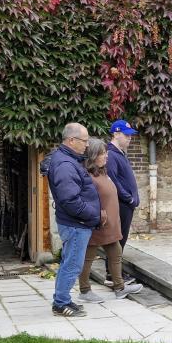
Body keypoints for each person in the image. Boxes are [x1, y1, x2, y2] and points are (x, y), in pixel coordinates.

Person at [46, 123, 102, 317]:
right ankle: (61, 304)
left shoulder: (68, 160)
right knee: (72, 265)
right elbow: (70, 200)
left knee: (69, 262)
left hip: (77, 223)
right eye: (84, 141)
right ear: (71, 140)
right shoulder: (65, 165)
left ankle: (63, 299)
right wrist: (92, 214)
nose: (87, 145)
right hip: (76, 224)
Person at [77, 139, 143, 303]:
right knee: (88, 258)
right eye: (102, 153)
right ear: (93, 156)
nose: (106, 156)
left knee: (116, 253)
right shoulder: (88, 176)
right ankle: (84, 291)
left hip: (110, 225)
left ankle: (119, 288)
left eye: (106, 152)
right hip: (97, 224)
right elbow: (86, 200)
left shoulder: (102, 172)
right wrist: (98, 216)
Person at [106, 119, 140, 286]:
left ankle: (114, 273)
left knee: (121, 239)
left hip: (126, 204)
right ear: (116, 134)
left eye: (130, 136)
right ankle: (112, 275)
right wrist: (128, 198)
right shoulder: (111, 154)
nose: (129, 139)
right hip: (121, 204)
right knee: (118, 239)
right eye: (126, 135)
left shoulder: (119, 153)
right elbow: (112, 180)